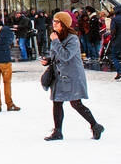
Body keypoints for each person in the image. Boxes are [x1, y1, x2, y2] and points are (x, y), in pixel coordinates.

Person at [44, 12, 105, 141]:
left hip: (72, 76)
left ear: (64, 24)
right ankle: (58, 131)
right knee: (57, 102)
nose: (54, 23)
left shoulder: (72, 38)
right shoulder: (57, 36)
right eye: (54, 21)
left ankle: (95, 125)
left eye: (57, 21)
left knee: (76, 103)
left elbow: (66, 56)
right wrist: (49, 60)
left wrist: (55, 42)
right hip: (59, 75)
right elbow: (58, 55)